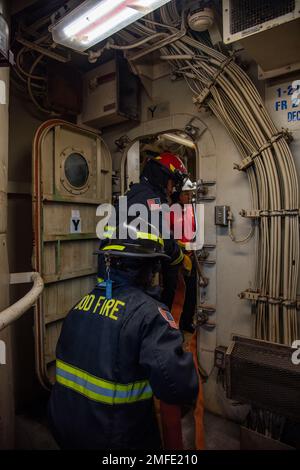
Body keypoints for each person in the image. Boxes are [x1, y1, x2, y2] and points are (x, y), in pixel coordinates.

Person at [48, 220, 199, 450]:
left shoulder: (79, 307)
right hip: (115, 441)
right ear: (152, 267)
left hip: (62, 432)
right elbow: (178, 389)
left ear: (110, 262)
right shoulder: (151, 316)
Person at [102, 152, 193, 310]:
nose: (172, 190)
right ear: (164, 178)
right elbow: (162, 236)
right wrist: (179, 257)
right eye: (173, 183)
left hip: (111, 273)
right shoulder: (152, 200)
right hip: (131, 277)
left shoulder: (133, 193)